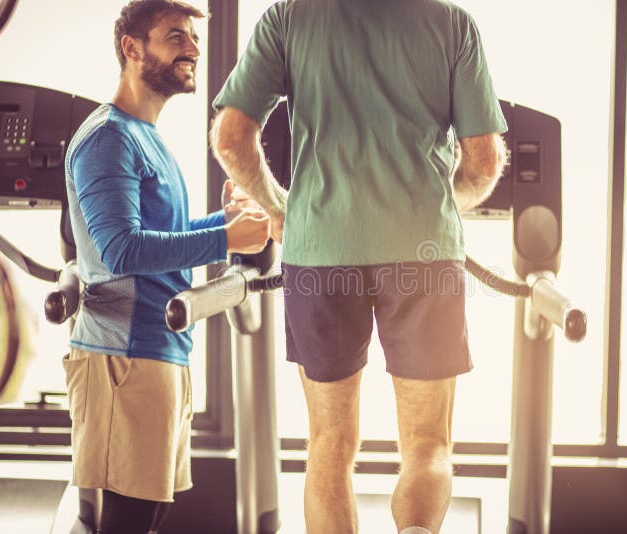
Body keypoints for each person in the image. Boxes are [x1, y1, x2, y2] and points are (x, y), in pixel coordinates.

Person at [211, 1, 508, 533]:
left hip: (320, 252)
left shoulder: (289, 17)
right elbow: (483, 162)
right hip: (423, 254)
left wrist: (282, 210)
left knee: (329, 444)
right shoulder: (451, 23)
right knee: (428, 444)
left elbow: (231, 138)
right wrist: (437, 206)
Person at [62, 1, 270, 532]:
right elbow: (122, 251)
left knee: (148, 514)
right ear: (132, 49)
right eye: (176, 37)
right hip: (122, 359)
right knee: (129, 522)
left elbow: (159, 237)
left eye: (193, 39)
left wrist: (220, 225)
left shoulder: (143, 136)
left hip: (157, 352)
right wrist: (225, 237)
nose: (193, 49)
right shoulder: (108, 139)